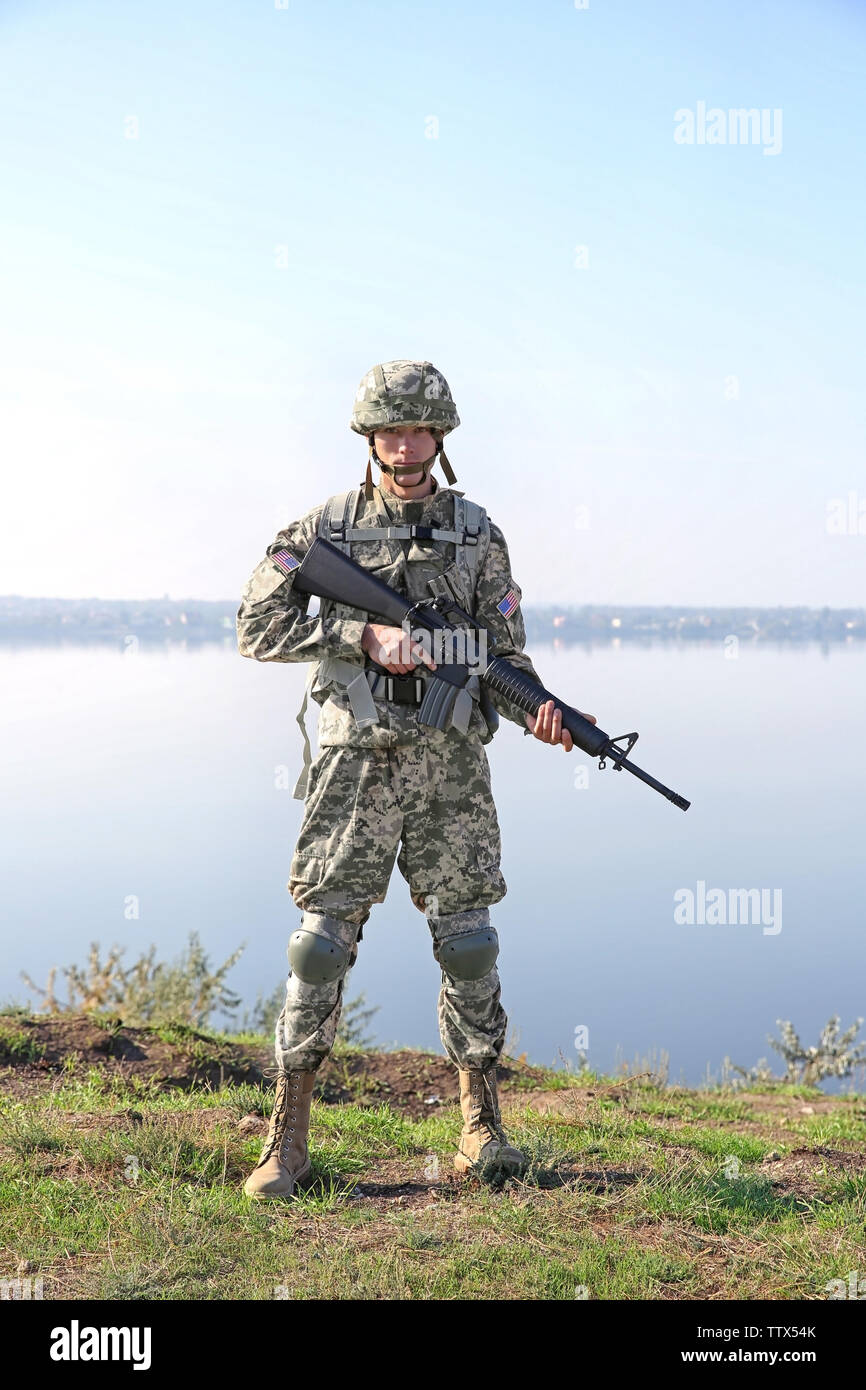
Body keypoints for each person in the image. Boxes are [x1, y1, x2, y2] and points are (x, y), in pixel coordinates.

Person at [236, 359, 596, 1200]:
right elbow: (256, 622)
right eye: (391, 431)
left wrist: (540, 713)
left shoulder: (477, 533)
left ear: (441, 436)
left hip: (450, 772)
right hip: (354, 766)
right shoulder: (323, 526)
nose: (405, 445)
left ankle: (482, 1128)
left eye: (419, 430)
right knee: (319, 948)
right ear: (371, 438)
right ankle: (285, 1140)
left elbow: (503, 660)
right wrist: (358, 635)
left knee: (470, 944)